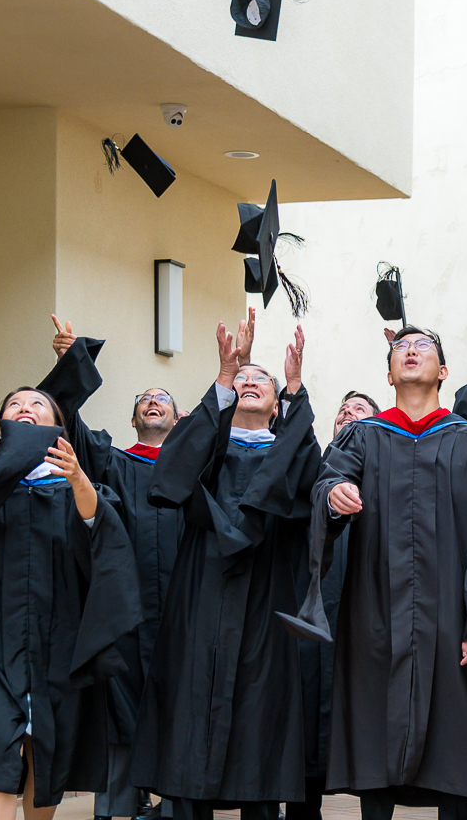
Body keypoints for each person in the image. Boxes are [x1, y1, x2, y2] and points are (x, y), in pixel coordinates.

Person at [308, 303, 467, 820]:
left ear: (443, 371)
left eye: (422, 345)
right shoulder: (363, 436)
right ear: (388, 374)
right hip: (375, 613)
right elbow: (328, 479)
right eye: (400, 347)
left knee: (455, 745)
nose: (410, 350)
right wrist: (333, 494)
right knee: (375, 737)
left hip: (451, 616)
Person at [0, 372, 142, 820]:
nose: (25, 407)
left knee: (46, 747)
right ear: (2, 426)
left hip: (58, 639)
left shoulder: (76, 489)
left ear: (58, 427)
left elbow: (102, 534)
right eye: (15, 404)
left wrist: (77, 479)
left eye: (38, 404)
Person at [135, 320, 323, 820]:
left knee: (261, 710)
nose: (251, 381)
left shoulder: (289, 450)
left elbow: (310, 480)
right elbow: (171, 478)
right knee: (192, 701)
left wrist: (295, 385)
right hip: (201, 590)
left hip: (266, 594)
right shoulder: (206, 443)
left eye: (263, 379)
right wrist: (224, 373)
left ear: (278, 407)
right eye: (243, 378)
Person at [46, 317, 186, 820]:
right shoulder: (110, 461)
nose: (153, 402)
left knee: (178, 699)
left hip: (180, 606)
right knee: (119, 699)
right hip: (122, 607)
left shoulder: (194, 472)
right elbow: (65, 422)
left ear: (179, 420)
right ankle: (118, 805)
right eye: (144, 399)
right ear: (132, 420)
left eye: (162, 398)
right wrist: (70, 363)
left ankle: (177, 802)